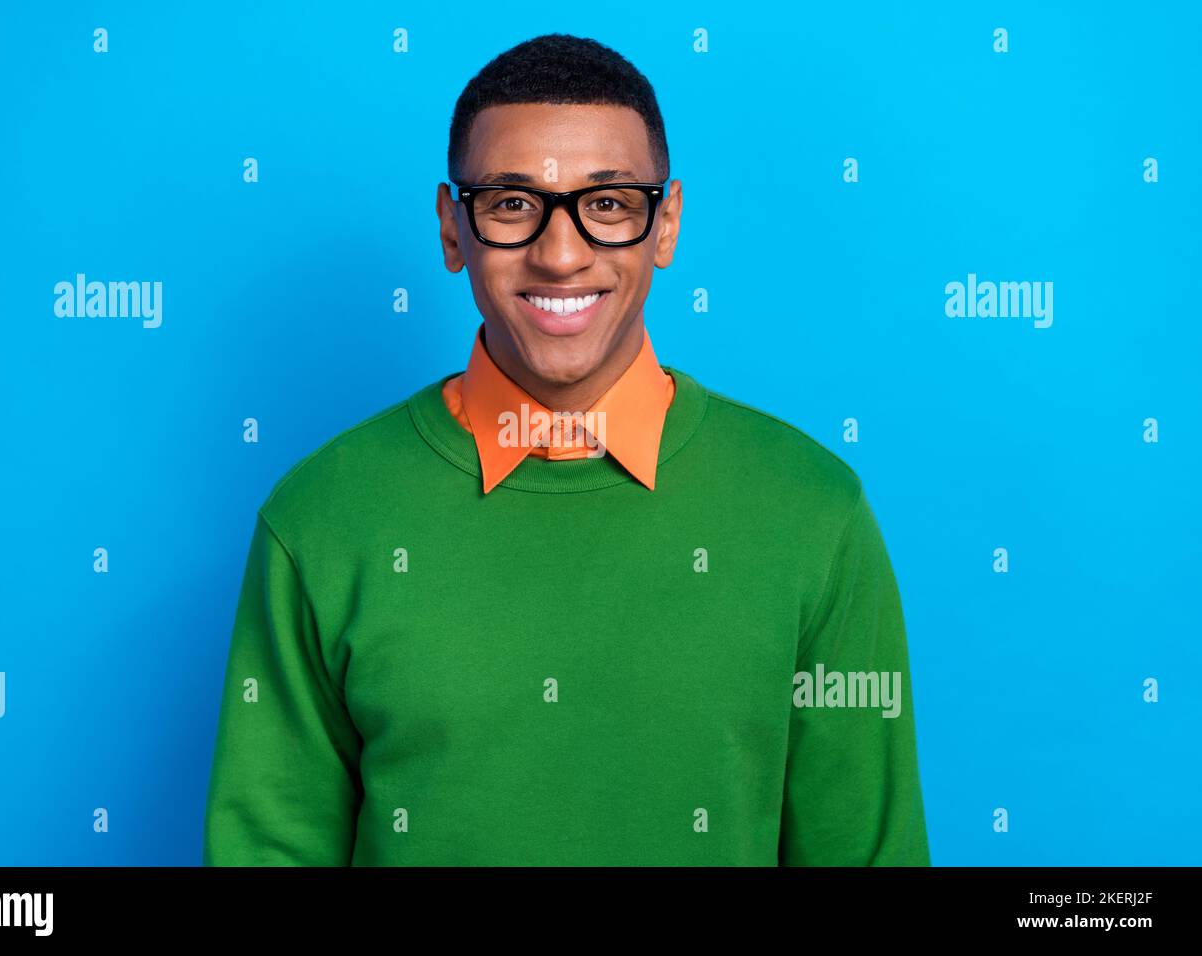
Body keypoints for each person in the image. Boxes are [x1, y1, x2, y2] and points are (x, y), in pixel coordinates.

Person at [202, 33, 931, 866]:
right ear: (451, 228)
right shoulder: (320, 518)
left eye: (610, 203)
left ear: (667, 225)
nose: (560, 253)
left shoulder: (814, 512)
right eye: (511, 204)